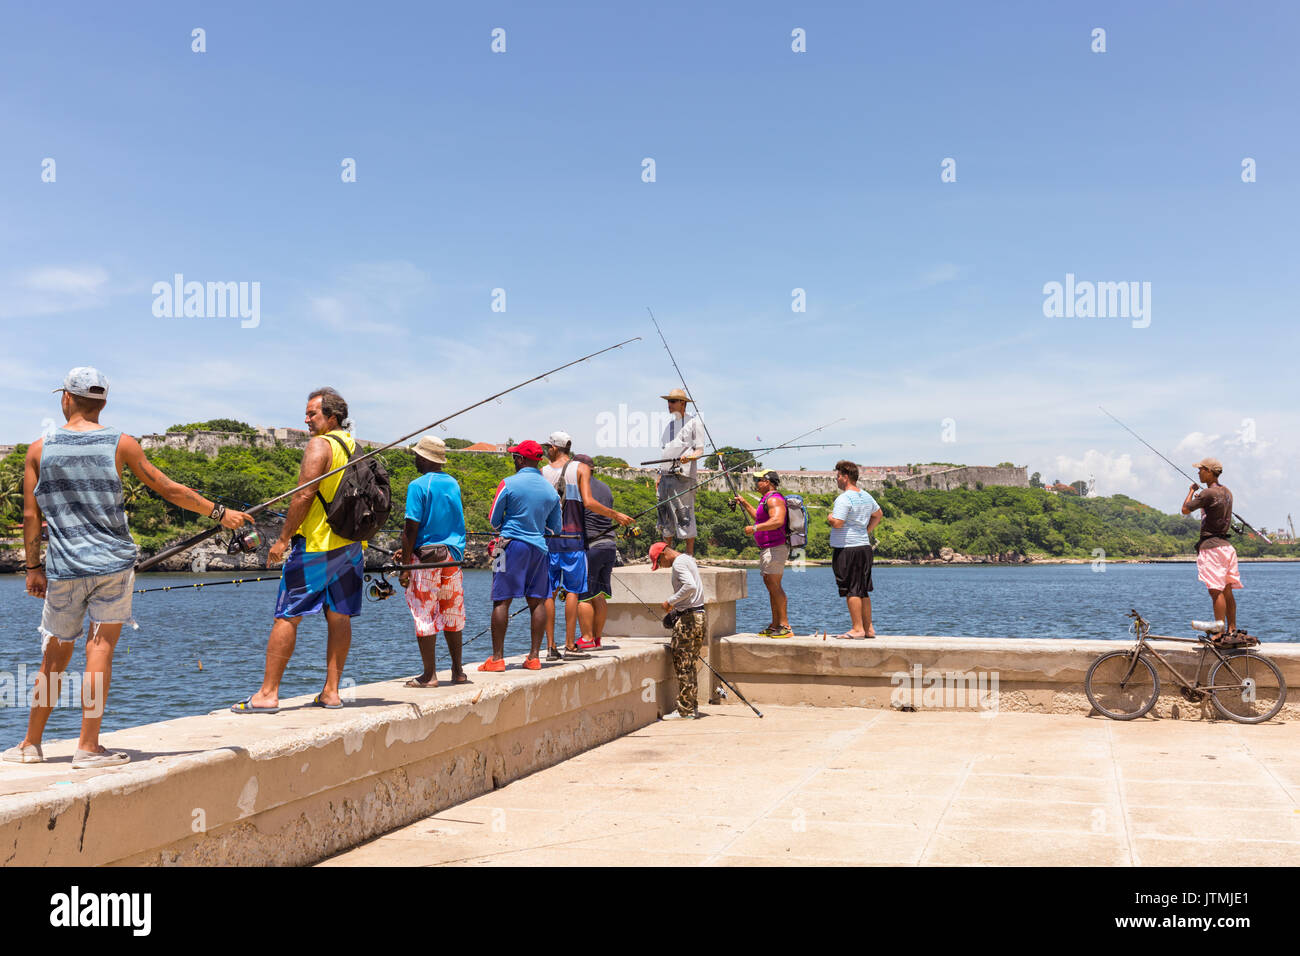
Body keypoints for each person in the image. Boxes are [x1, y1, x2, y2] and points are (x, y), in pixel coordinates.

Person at [5, 368, 251, 767]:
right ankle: (87, 747)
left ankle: (31, 745)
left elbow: (31, 516)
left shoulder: (38, 449)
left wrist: (33, 567)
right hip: (112, 564)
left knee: (55, 653)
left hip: (64, 566)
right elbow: (168, 488)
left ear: (66, 399)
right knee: (99, 646)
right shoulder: (122, 444)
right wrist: (220, 513)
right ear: (102, 403)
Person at [232, 387, 364, 713]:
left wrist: (282, 539)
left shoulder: (320, 445)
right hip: (350, 547)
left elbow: (303, 496)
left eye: (312, 414)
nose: (305, 419)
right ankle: (332, 692)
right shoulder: (355, 447)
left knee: (287, 615)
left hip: (316, 546)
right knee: (340, 615)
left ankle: (267, 694)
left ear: (331, 417)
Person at [540, 432, 633, 660]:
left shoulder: (542, 472)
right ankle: (570, 645)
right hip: (574, 541)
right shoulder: (579, 469)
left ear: (554, 448)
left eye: (548, 447)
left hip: (549, 541)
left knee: (549, 593)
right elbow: (589, 502)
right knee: (573, 591)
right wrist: (616, 515)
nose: (546, 451)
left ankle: (551, 647)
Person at [394, 436, 468, 687]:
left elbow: (411, 529)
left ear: (425, 458)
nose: (415, 459)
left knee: (424, 613)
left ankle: (429, 675)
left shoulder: (418, 485)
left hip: (426, 559)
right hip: (452, 557)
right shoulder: (453, 484)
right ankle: (458, 671)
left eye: (417, 455)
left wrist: (405, 567)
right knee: (452, 613)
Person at [481, 440, 562, 671]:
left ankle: (496, 659)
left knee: (501, 599)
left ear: (520, 460)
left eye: (514, 457)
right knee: (537, 601)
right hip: (539, 549)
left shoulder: (508, 483)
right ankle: (534, 657)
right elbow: (555, 528)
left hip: (506, 546)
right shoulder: (551, 491)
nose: (513, 460)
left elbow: (493, 520)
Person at [1181, 457, 1243, 639]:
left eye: (1200, 470)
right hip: (1227, 547)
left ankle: (1219, 632)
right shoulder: (1227, 492)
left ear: (1209, 471)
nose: (1198, 473)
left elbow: (1185, 509)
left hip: (1212, 548)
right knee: (1227, 590)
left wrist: (1191, 491)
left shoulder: (1207, 493)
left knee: (1216, 591)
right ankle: (1231, 629)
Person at [650, 541, 707, 720]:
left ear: (663, 554)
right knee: (689, 664)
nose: (661, 566)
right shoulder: (687, 559)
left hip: (689, 620)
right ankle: (691, 706)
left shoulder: (679, 563)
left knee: (682, 664)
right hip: (699, 615)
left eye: (659, 562)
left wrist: (670, 601)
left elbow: (690, 586)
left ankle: (685, 710)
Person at [826, 460, 884, 639]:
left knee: (851, 589)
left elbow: (838, 523)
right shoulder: (866, 496)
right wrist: (866, 531)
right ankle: (868, 629)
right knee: (862, 589)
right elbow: (878, 514)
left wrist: (829, 517)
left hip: (847, 549)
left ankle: (857, 629)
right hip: (863, 547)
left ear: (845, 477)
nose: (836, 480)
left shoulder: (843, 498)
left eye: (838, 476)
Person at [734, 469, 791, 638]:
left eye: (758, 479)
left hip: (775, 548)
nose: (756, 482)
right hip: (769, 548)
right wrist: (744, 503)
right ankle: (775, 625)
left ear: (767, 481)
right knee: (771, 585)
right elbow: (760, 519)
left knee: (775, 586)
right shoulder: (765, 500)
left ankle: (785, 626)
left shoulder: (774, 498)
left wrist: (755, 529)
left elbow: (778, 520)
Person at [573, 454, 618, 650]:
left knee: (583, 594)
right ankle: (598, 639)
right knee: (599, 594)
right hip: (609, 545)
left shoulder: (579, 488)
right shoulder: (605, 488)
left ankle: (587, 637)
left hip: (591, 545)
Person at [655, 388, 705, 556]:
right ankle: (666, 554)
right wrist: (659, 474)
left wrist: (689, 458)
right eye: (668, 401)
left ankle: (689, 555)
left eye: (673, 401)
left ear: (682, 403)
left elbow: (699, 450)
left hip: (683, 476)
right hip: (666, 475)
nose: (669, 404)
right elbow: (665, 451)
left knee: (685, 513)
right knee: (664, 514)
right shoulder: (669, 426)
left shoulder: (694, 422)